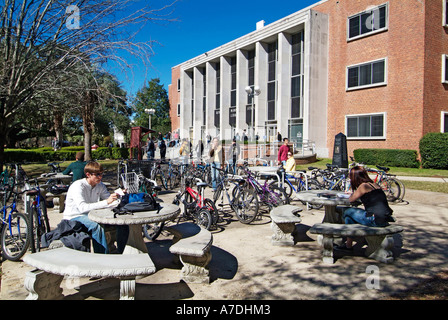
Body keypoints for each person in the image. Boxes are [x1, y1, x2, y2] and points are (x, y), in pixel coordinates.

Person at [62, 161, 129, 254]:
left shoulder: (100, 185)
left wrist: (117, 197)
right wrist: (106, 202)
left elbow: (109, 201)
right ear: (88, 174)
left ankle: (123, 252)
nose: (100, 177)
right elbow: (82, 208)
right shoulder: (78, 186)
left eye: (101, 174)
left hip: (92, 214)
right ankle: (102, 256)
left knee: (122, 223)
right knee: (96, 226)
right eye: (97, 175)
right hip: (75, 216)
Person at [336, 166, 395, 251]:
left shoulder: (363, 186)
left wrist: (352, 194)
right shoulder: (375, 184)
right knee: (349, 217)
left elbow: (351, 200)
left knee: (346, 211)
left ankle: (340, 234)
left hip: (374, 219)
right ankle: (348, 245)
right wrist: (354, 193)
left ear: (355, 177)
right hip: (384, 218)